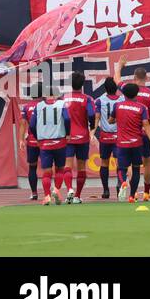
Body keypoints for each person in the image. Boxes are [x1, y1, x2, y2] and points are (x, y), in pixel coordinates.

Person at [59, 71, 96, 204]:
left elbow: (61, 116)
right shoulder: (87, 99)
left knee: (67, 165)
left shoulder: (63, 98)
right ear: (82, 84)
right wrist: (91, 126)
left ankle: (69, 189)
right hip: (82, 136)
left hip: (67, 137)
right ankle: (77, 196)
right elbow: (92, 114)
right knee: (81, 167)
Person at [30, 89, 71, 205]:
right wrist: (68, 133)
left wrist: (37, 137)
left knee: (47, 172)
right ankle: (56, 190)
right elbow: (67, 119)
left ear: (44, 95)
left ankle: (47, 196)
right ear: (56, 95)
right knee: (60, 169)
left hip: (45, 142)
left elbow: (32, 124)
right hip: (59, 141)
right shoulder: (61, 104)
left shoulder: (38, 106)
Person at [113, 82, 150, 204]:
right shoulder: (142, 108)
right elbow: (146, 125)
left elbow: (110, 120)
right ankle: (131, 196)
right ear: (137, 94)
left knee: (121, 167)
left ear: (124, 94)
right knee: (136, 169)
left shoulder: (117, 106)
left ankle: (123, 182)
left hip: (122, 143)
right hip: (136, 143)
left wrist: (115, 119)